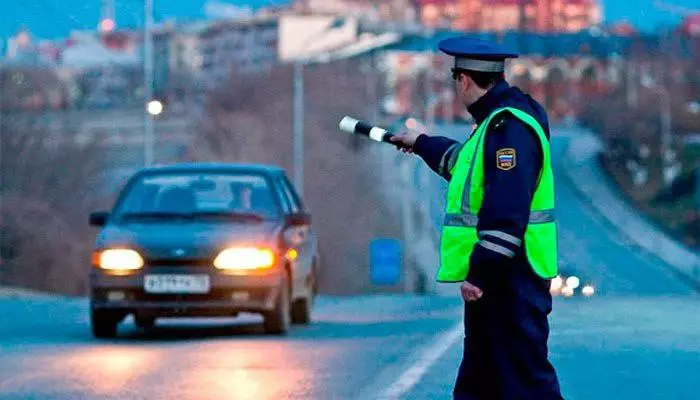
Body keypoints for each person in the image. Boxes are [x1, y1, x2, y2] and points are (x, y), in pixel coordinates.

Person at [390, 36, 564, 400]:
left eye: (455, 80)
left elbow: (506, 210)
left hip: (510, 281)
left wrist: (480, 272)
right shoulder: (497, 124)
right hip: (501, 283)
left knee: (525, 385)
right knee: (481, 385)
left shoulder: (508, 129)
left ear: (464, 80)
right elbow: (463, 166)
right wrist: (421, 143)